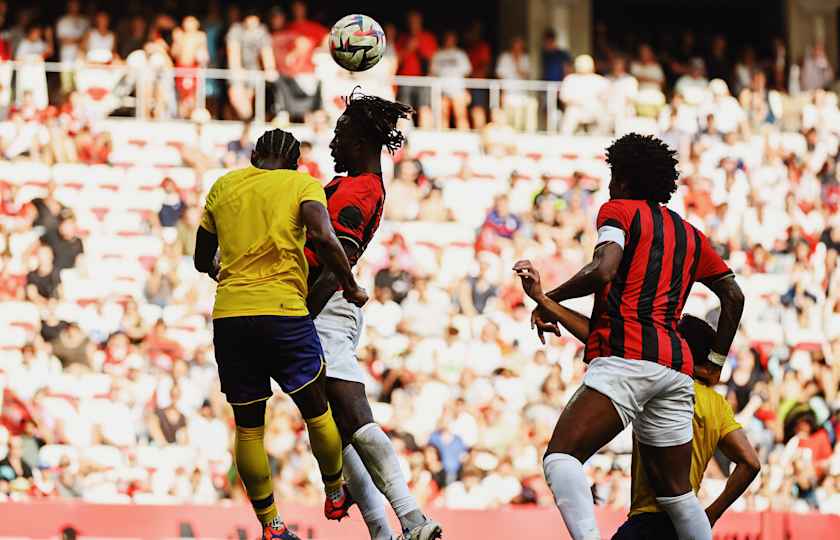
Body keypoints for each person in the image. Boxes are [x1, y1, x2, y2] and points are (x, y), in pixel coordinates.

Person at [521, 133, 745, 540]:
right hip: (675, 369)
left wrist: (550, 294)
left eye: (613, 176)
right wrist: (714, 362)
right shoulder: (691, 235)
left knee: (561, 458)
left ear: (623, 180)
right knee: (677, 495)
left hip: (628, 360)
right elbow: (733, 295)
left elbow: (603, 268)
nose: (609, 185)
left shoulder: (618, 210)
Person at [193, 128, 368, 540]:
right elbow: (323, 237)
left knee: (249, 427)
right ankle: (334, 492)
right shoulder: (302, 185)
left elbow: (201, 258)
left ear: (255, 156)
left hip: (231, 317)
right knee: (316, 411)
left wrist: (227, 275)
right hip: (284, 314)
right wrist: (350, 285)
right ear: (294, 163)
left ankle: (271, 525)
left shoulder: (223, 186)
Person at [513, 262, 761, 538]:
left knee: (559, 458)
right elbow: (751, 463)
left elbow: (604, 342)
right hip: (686, 526)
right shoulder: (717, 404)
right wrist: (711, 514)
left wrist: (546, 301)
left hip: (648, 521)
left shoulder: (654, 376)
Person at [304, 90, 442, 540]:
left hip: (324, 307)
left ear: (361, 142)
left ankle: (412, 518)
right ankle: (384, 531)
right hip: (322, 307)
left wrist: (300, 315)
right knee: (340, 429)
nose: (333, 143)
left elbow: (335, 260)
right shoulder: (353, 185)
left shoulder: (359, 190)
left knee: (355, 415)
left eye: (340, 134)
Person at [226, 11, 277, 120]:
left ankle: (248, 120)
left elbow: (267, 53)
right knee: (239, 100)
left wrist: (270, 69)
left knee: (252, 103)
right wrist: (237, 69)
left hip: (254, 74)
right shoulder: (236, 30)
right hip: (238, 74)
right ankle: (246, 119)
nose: (252, 22)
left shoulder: (262, 31)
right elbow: (233, 53)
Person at [396, 10, 436, 128]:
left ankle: (426, 135)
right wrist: (408, 48)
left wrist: (419, 47)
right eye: (411, 21)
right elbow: (396, 60)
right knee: (405, 109)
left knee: (424, 108)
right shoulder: (403, 38)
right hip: (406, 80)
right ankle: (405, 135)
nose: (413, 23)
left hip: (422, 79)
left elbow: (431, 60)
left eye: (415, 20)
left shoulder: (427, 37)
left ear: (420, 21)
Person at [429, 31, 471, 130]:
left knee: (460, 115)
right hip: (442, 89)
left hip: (458, 89)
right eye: (447, 39)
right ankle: (443, 137)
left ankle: (464, 136)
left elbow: (467, 73)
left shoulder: (461, 54)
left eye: (451, 39)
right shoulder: (438, 54)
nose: (449, 41)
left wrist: (467, 90)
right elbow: (432, 72)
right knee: (442, 116)